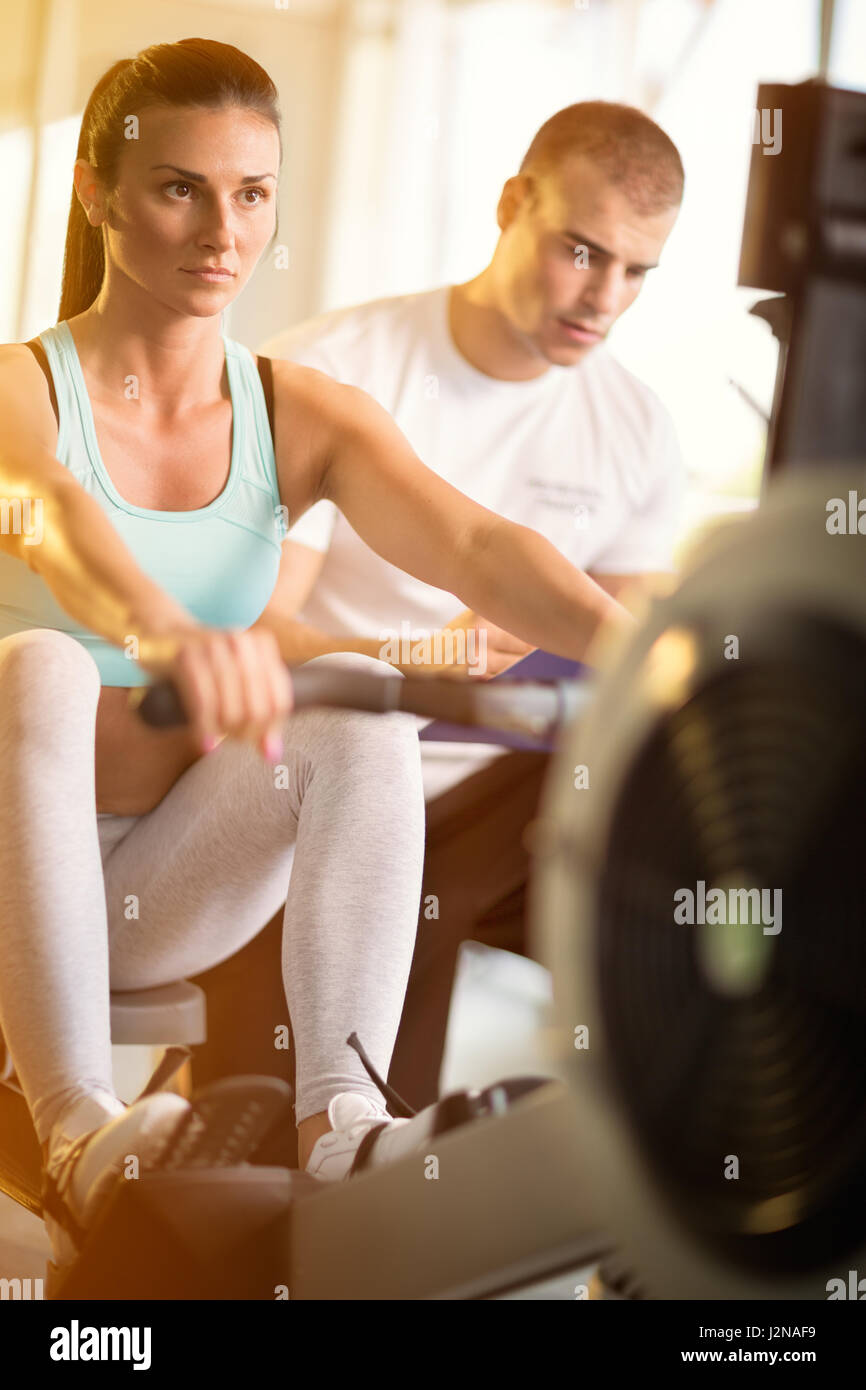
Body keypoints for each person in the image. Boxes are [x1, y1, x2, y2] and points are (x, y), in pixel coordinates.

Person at [0, 38, 632, 1269]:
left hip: (158, 889)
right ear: (97, 190)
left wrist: (658, 659)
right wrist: (166, 627)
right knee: (43, 667)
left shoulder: (297, 412)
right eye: (179, 186)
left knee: (357, 713)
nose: (220, 229)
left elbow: (477, 544)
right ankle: (74, 1130)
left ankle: (343, 1125)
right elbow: (54, 518)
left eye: (251, 193)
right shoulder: (21, 391)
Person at [221, 101, 686, 1106]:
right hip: (335, 758)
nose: (602, 296)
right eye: (579, 249)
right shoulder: (334, 368)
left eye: (636, 271)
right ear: (510, 203)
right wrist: (407, 653)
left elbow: (632, 651)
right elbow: (254, 631)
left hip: (513, 795)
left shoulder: (635, 426)